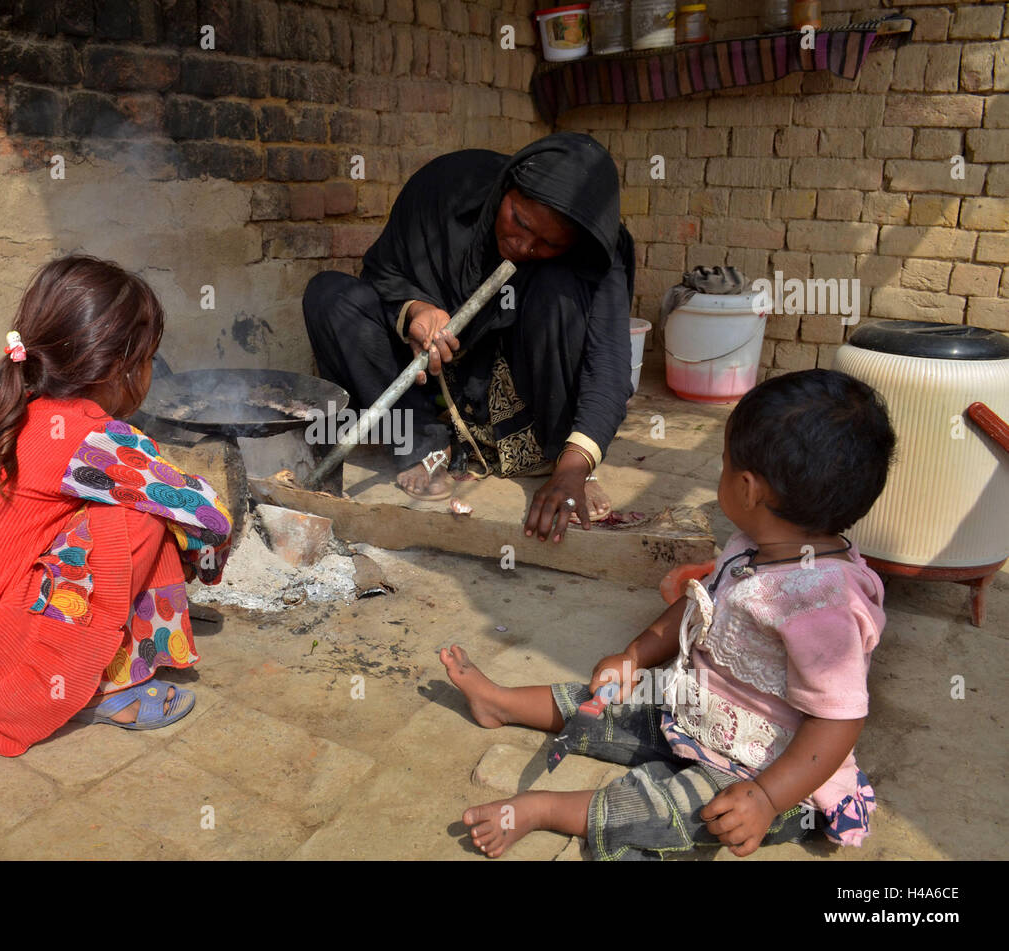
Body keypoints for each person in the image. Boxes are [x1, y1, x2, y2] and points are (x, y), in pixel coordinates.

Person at [439, 369, 897, 859]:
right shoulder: (752, 548)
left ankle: (546, 808)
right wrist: (634, 655)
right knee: (609, 702)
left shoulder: (825, 604)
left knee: (681, 808)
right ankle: (501, 703)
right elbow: (696, 607)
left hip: (765, 770)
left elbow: (838, 722)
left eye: (722, 466)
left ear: (747, 489)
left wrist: (765, 798)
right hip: (695, 712)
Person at [0, 256, 234, 756]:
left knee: (123, 511)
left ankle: (112, 643)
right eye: (148, 360)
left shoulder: (24, 412)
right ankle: (103, 687)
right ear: (121, 368)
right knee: (144, 519)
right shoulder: (92, 438)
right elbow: (209, 514)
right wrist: (200, 562)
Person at [303, 132, 635, 540]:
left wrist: (574, 468)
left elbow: (610, 364)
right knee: (329, 296)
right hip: (435, 385)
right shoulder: (445, 188)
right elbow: (383, 274)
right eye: (519, 221)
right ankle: (425, 444)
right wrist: (415, 310)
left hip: (524, 392)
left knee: (560, 288)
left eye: (548, 244)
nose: (522, 246)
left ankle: (561, 458)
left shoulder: (597, 249)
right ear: (506, 187)